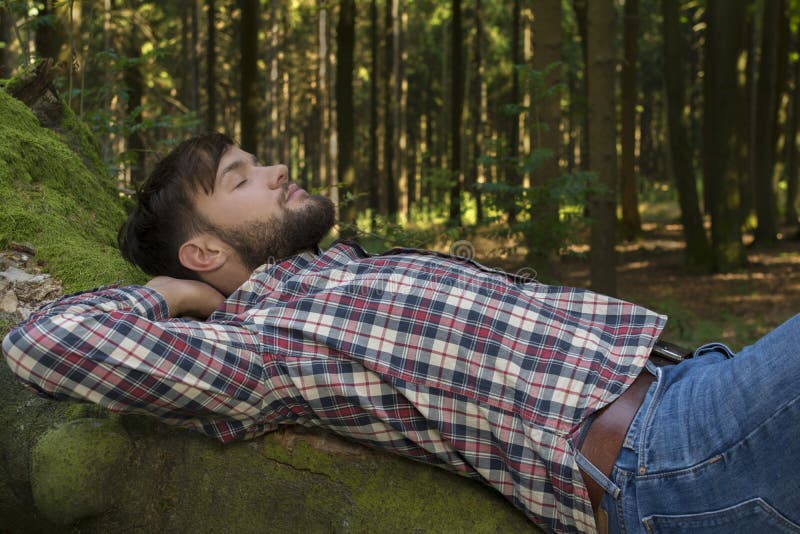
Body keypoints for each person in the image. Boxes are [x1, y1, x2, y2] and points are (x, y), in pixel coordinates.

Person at [2, 133, 798, 534]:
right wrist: (166, 295)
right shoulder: (263, 344)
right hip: (670, 459)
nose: (276, 170)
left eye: (258, 161)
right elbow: (42, 344)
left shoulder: (335, 274)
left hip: (692, 393)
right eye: (240, 179)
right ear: (204, 250)